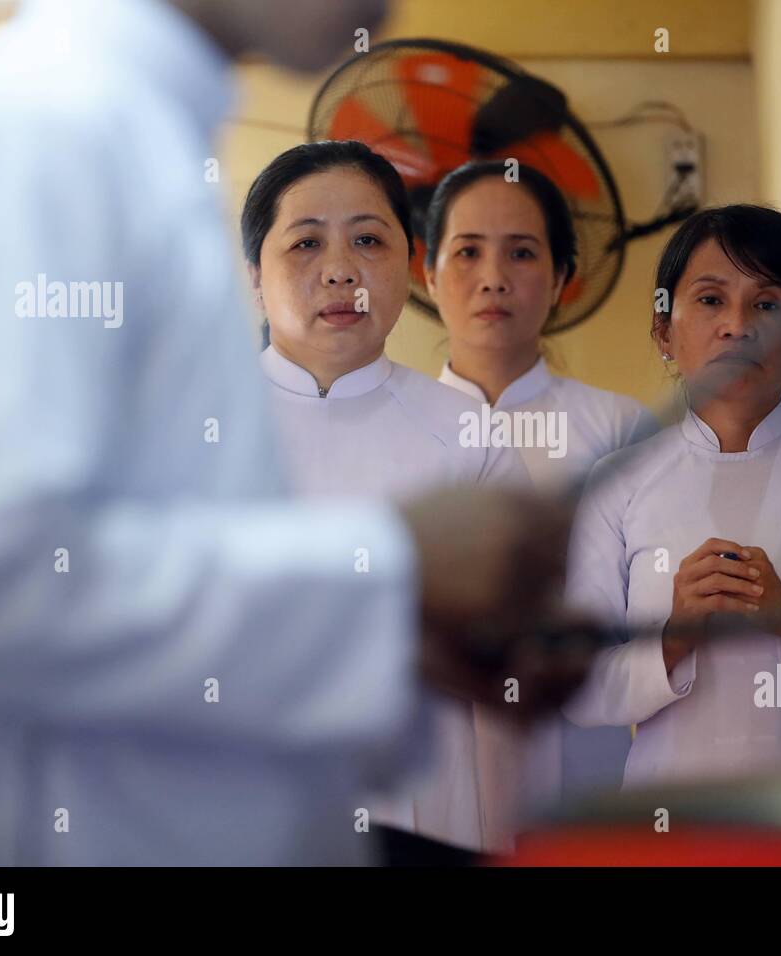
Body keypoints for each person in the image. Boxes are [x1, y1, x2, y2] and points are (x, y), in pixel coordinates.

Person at [0, 0, 580, 865]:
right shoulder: (46, 132)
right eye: (305, 244)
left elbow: (133, 605)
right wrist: (390, 569)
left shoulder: (144, 140)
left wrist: (413, 639)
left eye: (368, 239)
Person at [243, 140, 537, 857]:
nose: (340, 270)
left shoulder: (469, 435)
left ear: (408, 266)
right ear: (254, 277)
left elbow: (519, 644)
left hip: (424, 816)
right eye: (306, 243)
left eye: (368, 241)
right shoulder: (190, 429)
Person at [563, 204, 781, 787]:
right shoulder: (616, 483)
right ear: (665, 332)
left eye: (767, 304)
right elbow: (579, 689)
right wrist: (673, 638)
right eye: (710, 300)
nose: (737, 326)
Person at [425, 161, 657, 805]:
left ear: (561, 279)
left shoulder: (619, 427)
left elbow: (641, 615)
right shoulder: (401, 426)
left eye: (521, 253)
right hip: (433, 782)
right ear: (428, 271)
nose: (492, 279)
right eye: (467, 251)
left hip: (581, 772)